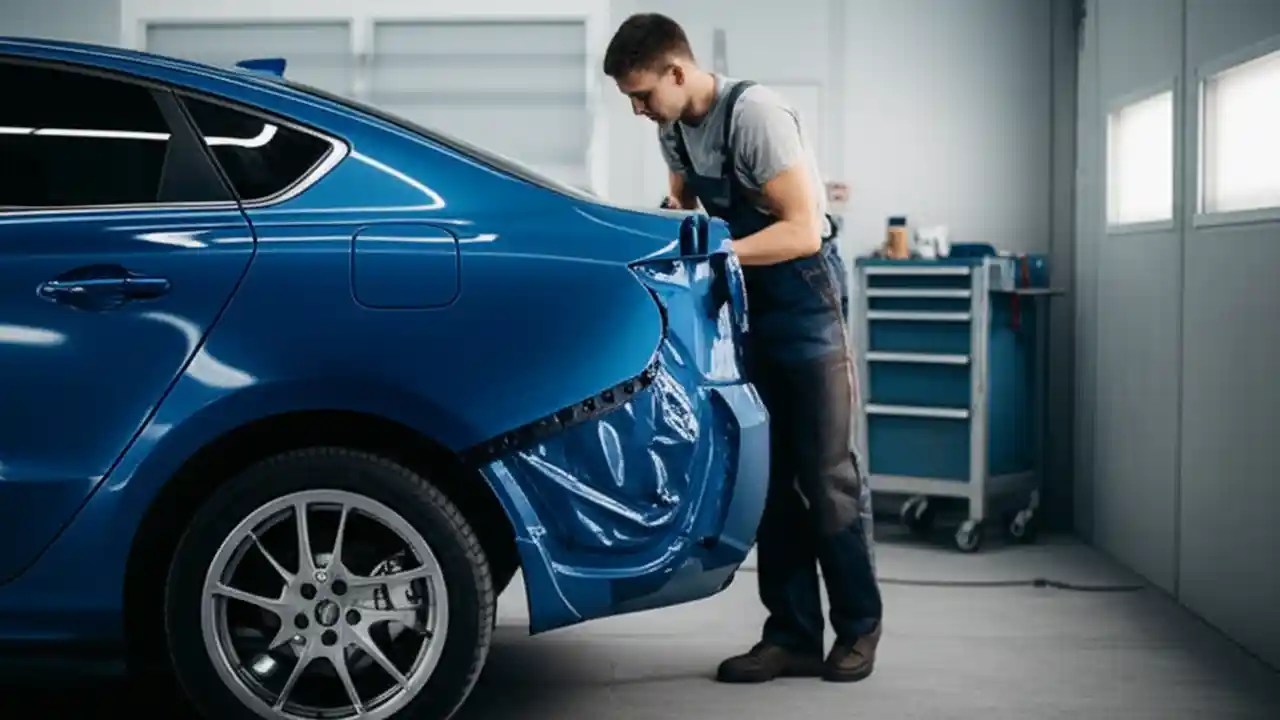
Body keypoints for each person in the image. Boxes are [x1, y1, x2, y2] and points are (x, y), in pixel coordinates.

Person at [603, 13, 883, 685]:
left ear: (678, 71)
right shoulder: (674, 128)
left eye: (643, 95)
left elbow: (802, 230)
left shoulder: (753, 114)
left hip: (805, 302)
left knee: (825, 475)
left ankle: (858, 627)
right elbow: (682, 207)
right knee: (769, 482)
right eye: (631, 101)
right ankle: (790, 634)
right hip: (746, 310)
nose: (640, 111)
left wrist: (716, 250)